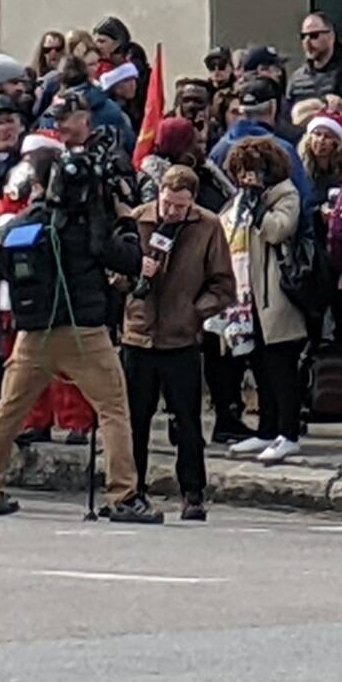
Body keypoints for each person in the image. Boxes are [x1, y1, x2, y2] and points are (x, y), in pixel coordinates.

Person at [0, 131, 150, 523]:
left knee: (9, 410)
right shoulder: (88, 224)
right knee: (113, 409)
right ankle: (124, 494)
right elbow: (127, 259)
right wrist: (121, 221)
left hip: (34, 331)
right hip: (84, 330)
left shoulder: (30, 221)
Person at [119, 161, 232, 520]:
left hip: (181, 338)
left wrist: (196, 310)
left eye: (180, 206)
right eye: (168, 204)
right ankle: (132, 489)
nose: (172, 211)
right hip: (139, 336)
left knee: (187, 421)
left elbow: (223, 285)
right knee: (135, 420)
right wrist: (133, 279)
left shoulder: (208, 226)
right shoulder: (138, 219)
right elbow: (112, 271)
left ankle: (193, 492)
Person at [218, 133, 314, 462]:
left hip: (274, 295)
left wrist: (258, 205)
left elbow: (277, 229)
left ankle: (288, 433)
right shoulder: (238, 199)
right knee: (258, 366)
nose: (245, 177)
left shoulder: (284, 194)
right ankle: (266, 430)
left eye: (251, 170)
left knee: (281, 367)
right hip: (247, 299)